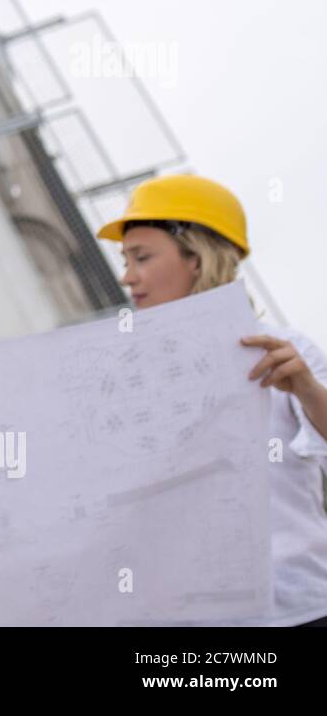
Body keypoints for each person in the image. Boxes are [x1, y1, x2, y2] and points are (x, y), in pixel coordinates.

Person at [98, 173, 327, 626]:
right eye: (125, 260)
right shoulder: (121, 376)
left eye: (141, 257)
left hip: (298, 607)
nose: (127, 277)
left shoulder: (281, 350)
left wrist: (305, 386)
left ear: (198, 259)